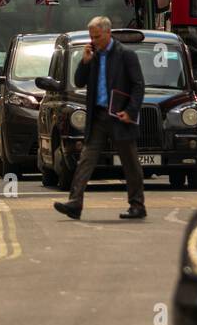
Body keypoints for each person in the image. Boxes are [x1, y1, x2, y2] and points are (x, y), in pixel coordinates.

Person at [53, 15, 146, 221]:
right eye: (91, 37)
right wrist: (84, 62)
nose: (93, 41)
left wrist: (131, 111)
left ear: (108, 33)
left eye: (97, 36)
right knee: (86, 159)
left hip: (119, 116)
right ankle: (75, 203)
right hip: (98, 116)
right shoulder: (92, 56)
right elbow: (78, 81)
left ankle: (137, 205)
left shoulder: (125, 55)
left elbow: (138, 86)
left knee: (130, 162)